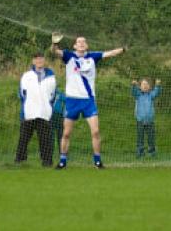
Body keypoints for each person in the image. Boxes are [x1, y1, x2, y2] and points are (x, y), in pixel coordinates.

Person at [50, 33, 126, 169]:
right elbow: (54, 52)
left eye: (84, 42)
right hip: (72, 100)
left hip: (88, 101)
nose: (81, 43)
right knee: (66, 133)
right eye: (79, 42)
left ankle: (97, 161)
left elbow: (109, 53)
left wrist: (123, 49)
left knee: (95, 131)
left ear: (86, 45)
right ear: (75, 45)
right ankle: (62, 161)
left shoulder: (93, 57)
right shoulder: (69, 56)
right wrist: (55, 43)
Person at [15, 51, 57, 167]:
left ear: (44, 60)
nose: (39, 61)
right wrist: (27, 106)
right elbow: (22, 93)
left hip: (44, 112)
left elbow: (53, 94)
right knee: (24, 138)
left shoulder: (51, 76)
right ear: (33, 61)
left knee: (45, 139)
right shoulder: (27, 76)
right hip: (29, 112)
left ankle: (47, 162)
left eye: (41, 59)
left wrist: (48, 107)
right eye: (37, 59)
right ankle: (20, 161)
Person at [131, 78, 162, 158]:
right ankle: (140, 152)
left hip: (150, 121)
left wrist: (158, 85)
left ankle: (152, 152)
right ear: (140, 87)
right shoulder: (138, 95)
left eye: (146, 84)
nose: (145, 86)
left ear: (149, 87)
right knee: (140, 138)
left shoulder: (151, 95)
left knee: (151, 138)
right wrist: (134, 85)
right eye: (143, 84)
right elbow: (133, 92)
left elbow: (157, 92)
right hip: (140, 121)